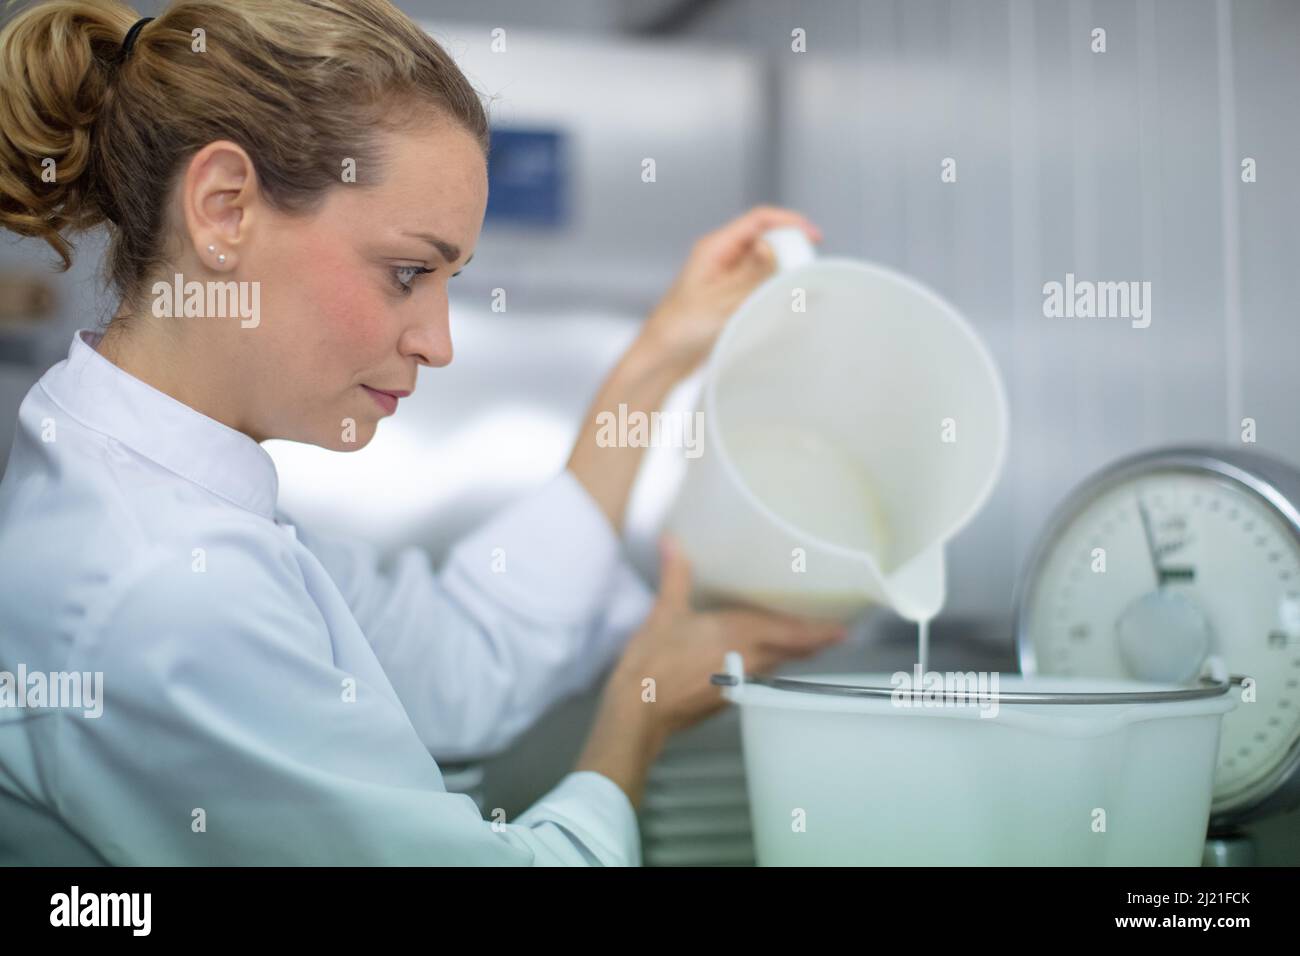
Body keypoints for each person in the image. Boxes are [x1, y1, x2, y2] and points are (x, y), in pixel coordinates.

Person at [0, 0, 843, 865]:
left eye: (449, 280)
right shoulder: (166, 591)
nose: (438, 343)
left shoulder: (169, 493)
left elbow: (459, 656)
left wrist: (659, 360)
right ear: (223, 209)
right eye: (408, 272)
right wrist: (635, 717)